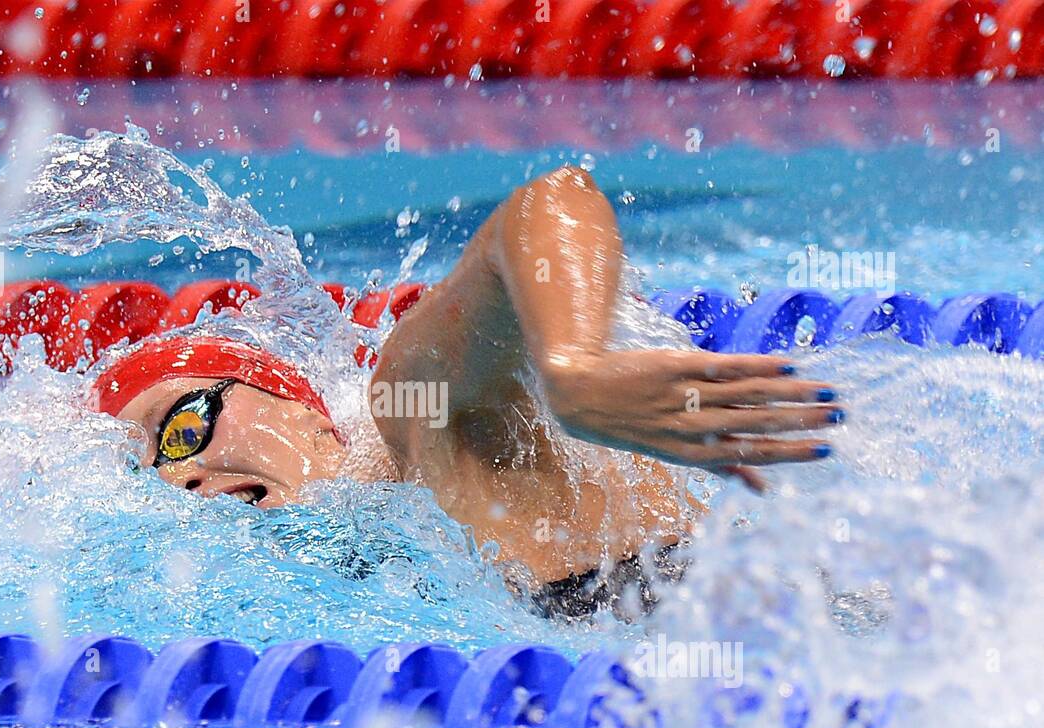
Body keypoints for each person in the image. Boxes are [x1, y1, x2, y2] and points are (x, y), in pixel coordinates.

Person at [92, 166, 844, 617]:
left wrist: (576, 372)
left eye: (180, 428)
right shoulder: (368, 562)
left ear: (302, 410)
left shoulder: (417, 421)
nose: (177, 477)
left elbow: (550, 202)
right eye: (147, 474)